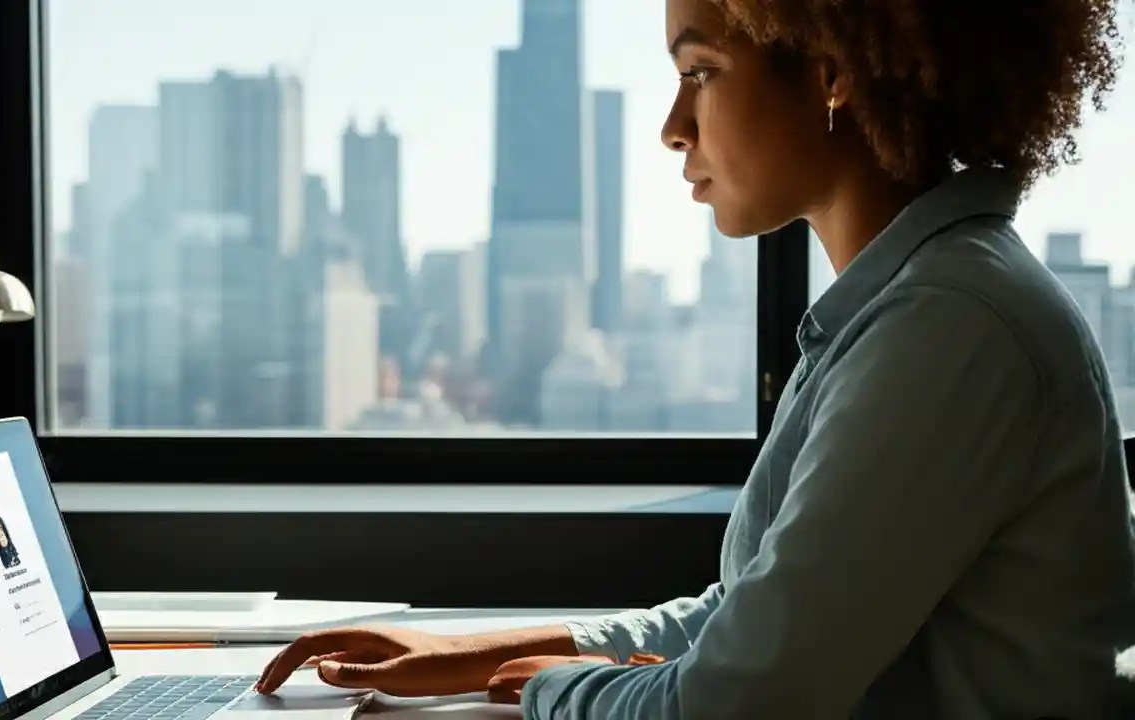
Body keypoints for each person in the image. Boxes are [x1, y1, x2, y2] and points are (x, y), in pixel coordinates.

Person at [257, 0, 1135, 716]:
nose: (673, 127)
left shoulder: (947, 328)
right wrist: (476, 655)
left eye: (701, 72)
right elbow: (758, 615)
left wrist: (553, 692)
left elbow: (735, 703)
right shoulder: (903, 308)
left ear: (831, 72)